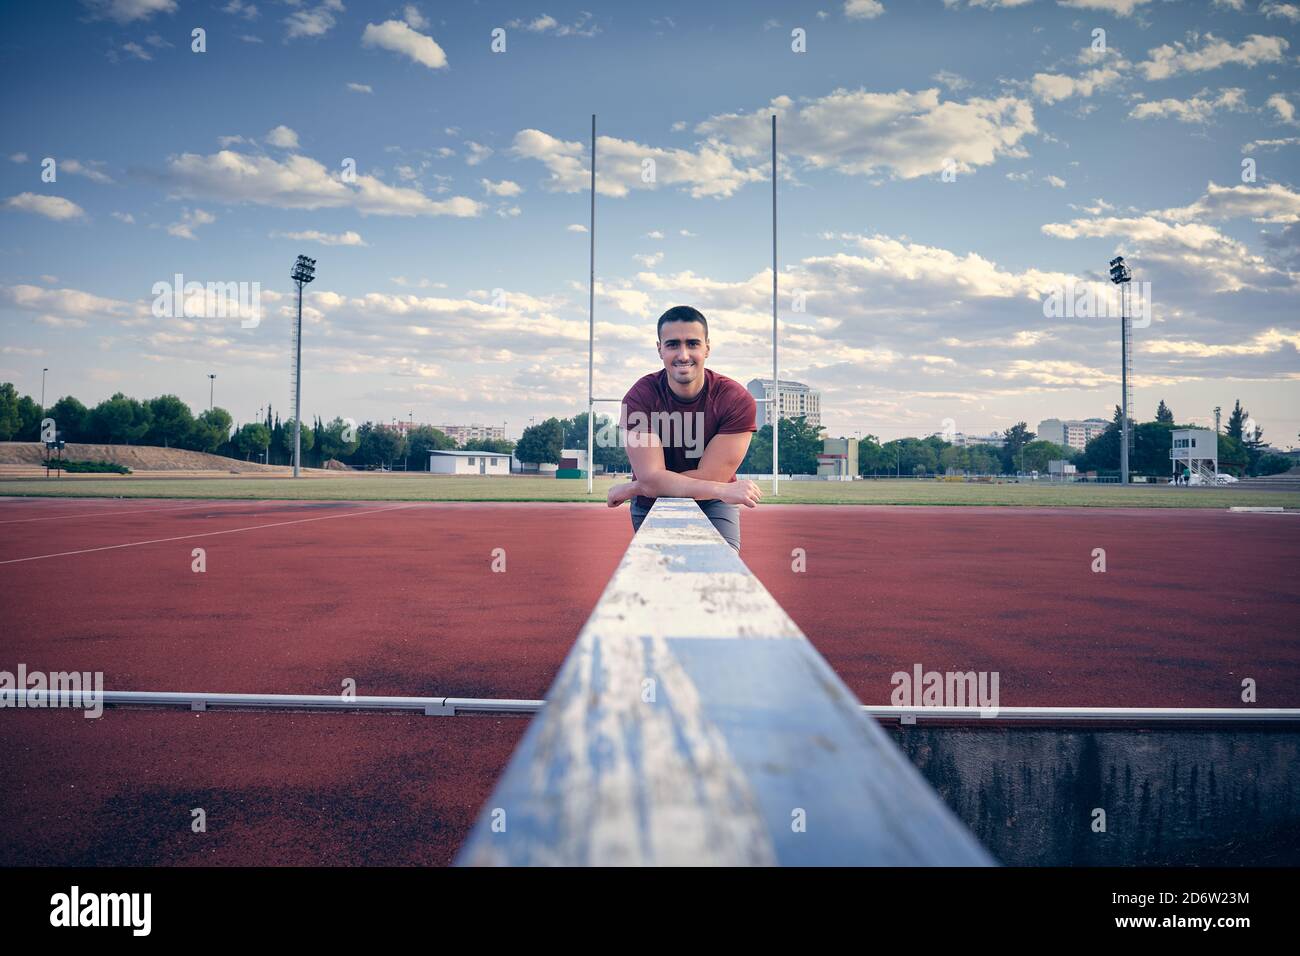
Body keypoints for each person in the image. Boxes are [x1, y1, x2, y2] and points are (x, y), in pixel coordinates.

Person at [605, 305, 760, 554]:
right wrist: (648, 485)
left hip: (712, 503)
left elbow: (712, 475)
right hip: (652, 502)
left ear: (707, 348)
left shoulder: (735, 399)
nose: (683, 354)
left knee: (720, 575)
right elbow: (653, 480)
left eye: (693, 343)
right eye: (673, 344)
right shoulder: (639, 397)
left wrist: (635, 486)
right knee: (662, 580)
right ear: (660, 349)